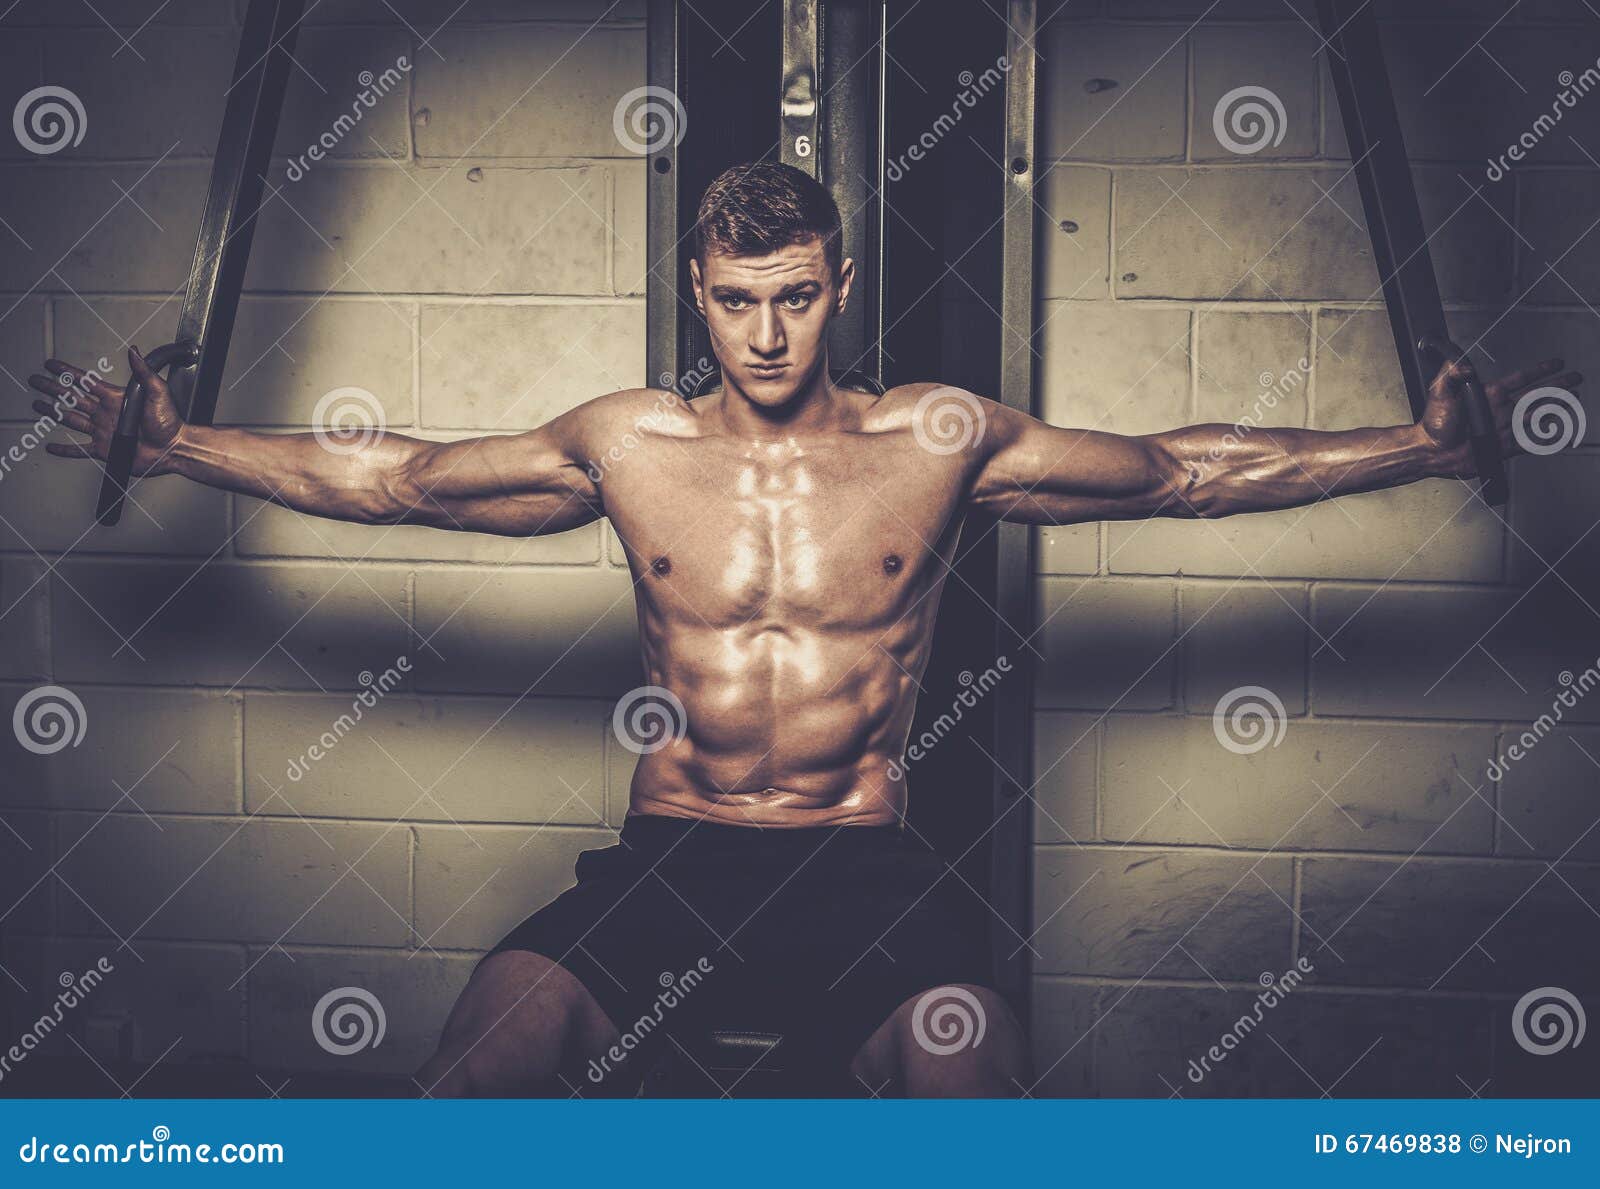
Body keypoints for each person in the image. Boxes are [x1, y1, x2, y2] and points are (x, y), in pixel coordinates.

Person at [27, 160, 1582, 1098]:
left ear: (837, 283)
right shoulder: (631, 443)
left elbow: (1184, 472)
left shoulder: (936, 438)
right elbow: (396, 479)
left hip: (867, 864)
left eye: (791, 295)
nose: (763, 333)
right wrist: (176, 446)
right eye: (730, 299)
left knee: (977, 1107)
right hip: (670, 857)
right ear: (693, 294)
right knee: (465, 1095)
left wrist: (1423, 449)